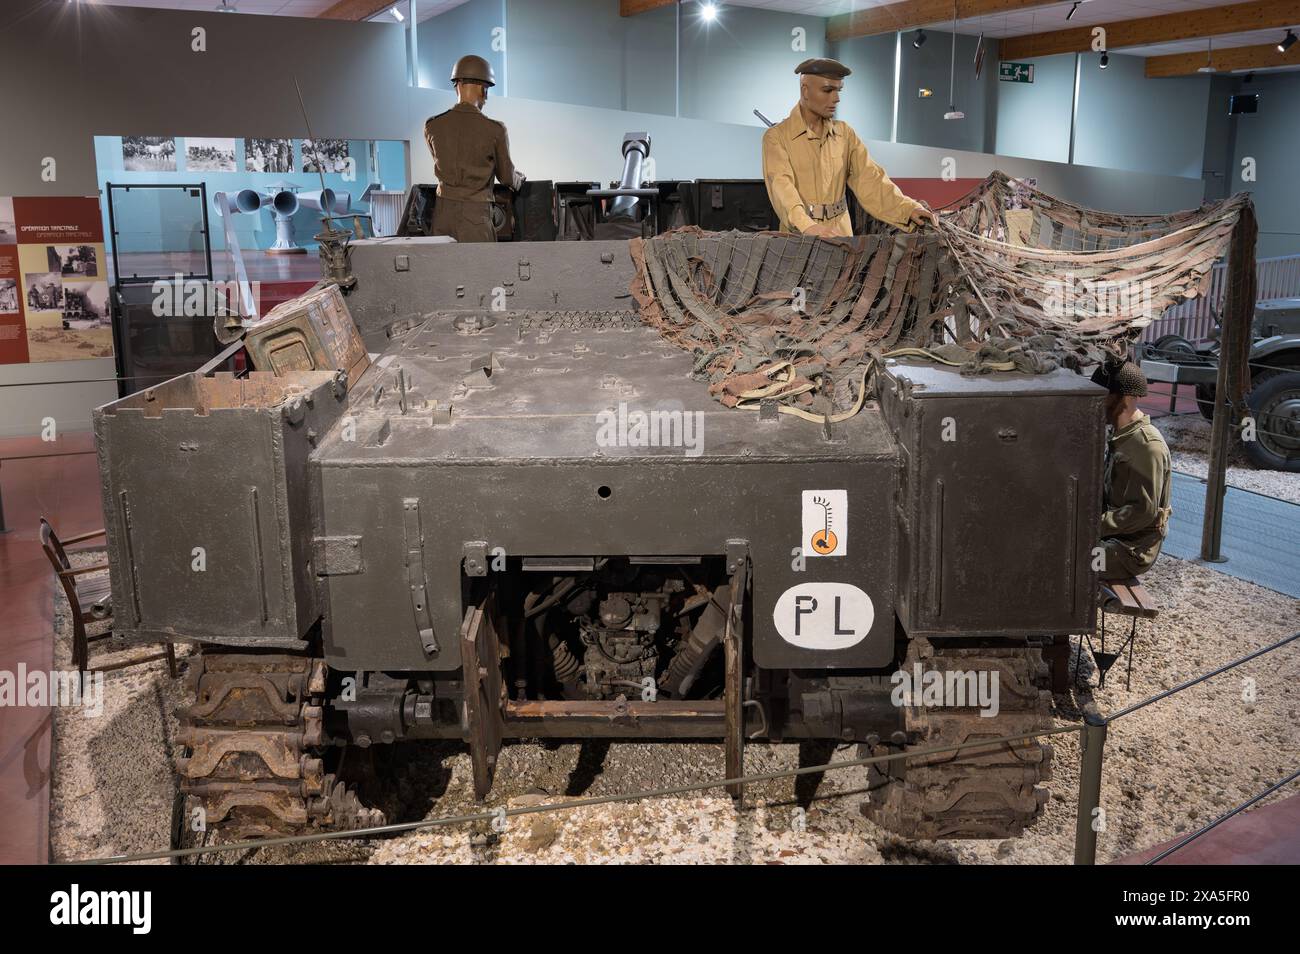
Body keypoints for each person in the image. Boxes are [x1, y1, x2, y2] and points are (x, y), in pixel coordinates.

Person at [762, 58, 937, 238]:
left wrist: (907, 209)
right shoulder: (777, 137)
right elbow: (781, 188)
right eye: (828, 90)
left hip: (842, 234)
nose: (836, 98)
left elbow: (871, 180)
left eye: (838, 90)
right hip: (799, 239)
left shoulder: (844, 134)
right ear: (805, 91)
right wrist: (807, 226)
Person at [423, 54, 525, 243]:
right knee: (481, 270)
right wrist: (519, 179)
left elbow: (439, 160)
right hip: (476, 219)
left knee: (443, 271)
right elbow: (506, 177)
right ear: (483, 90)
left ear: (457, 86)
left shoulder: (432, 126)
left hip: (442, 218)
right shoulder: (495, 129)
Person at [1093, 360, 1172, 580]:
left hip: (1130, 550)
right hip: (1114, 539)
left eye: (1103, 396)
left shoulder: (1147, 445)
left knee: (1067, 559)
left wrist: (1091, 526)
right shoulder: (1122, 437)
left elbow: (1142, 512)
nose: (1097, 403)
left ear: (1125, 398)